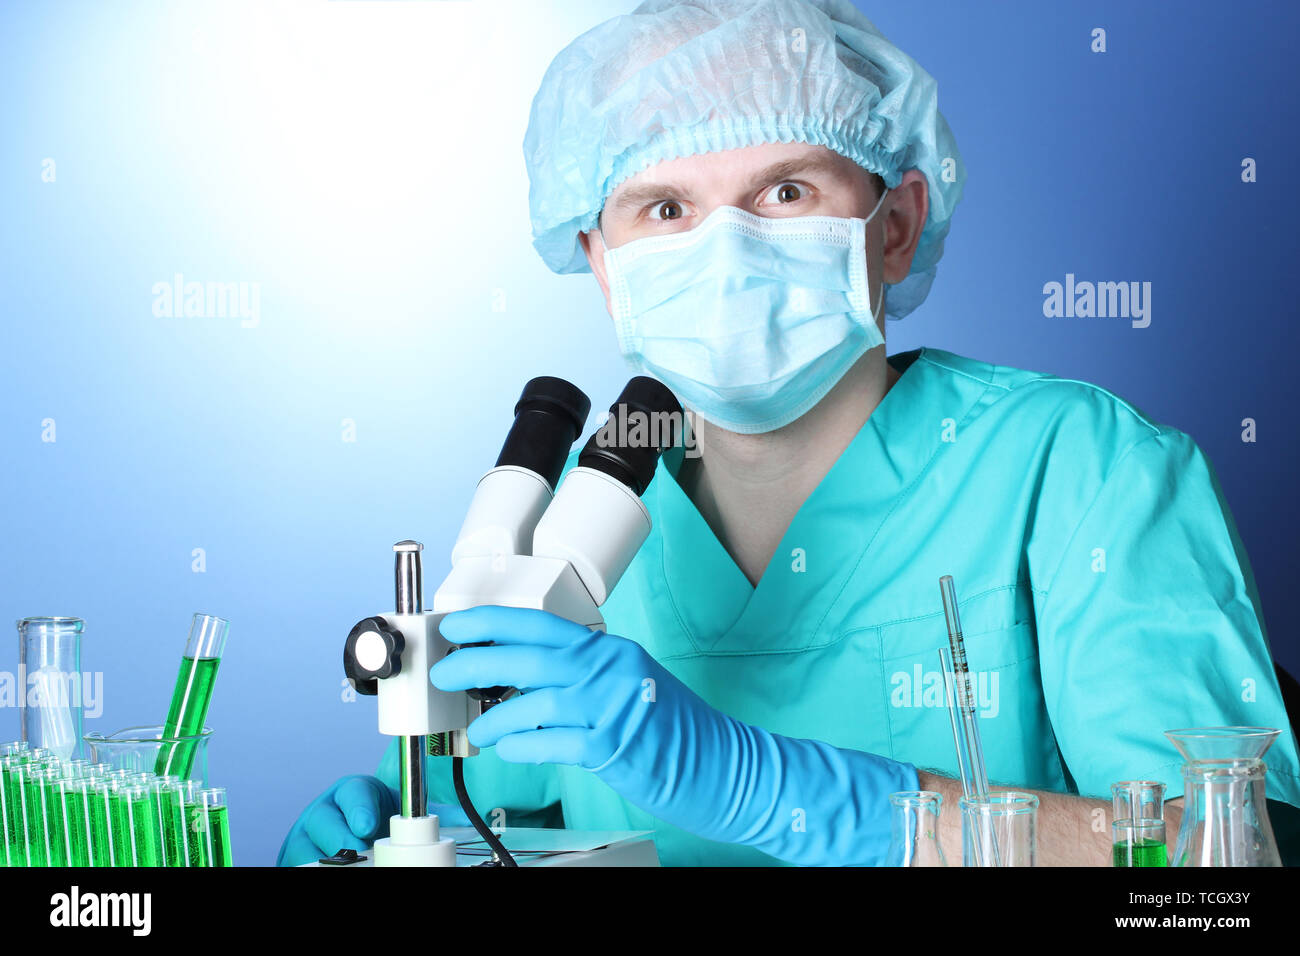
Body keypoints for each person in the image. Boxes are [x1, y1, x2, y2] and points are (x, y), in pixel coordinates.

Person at [279, 0, 1300, 867]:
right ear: (602, 260)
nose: (724, 251)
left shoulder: (1075, 469)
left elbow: (1234, 858)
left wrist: (781, 788)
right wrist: (400, 828)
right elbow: (490, 809)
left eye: (785, 191)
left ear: (892, 226)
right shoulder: (565, 537)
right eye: (665, 205)